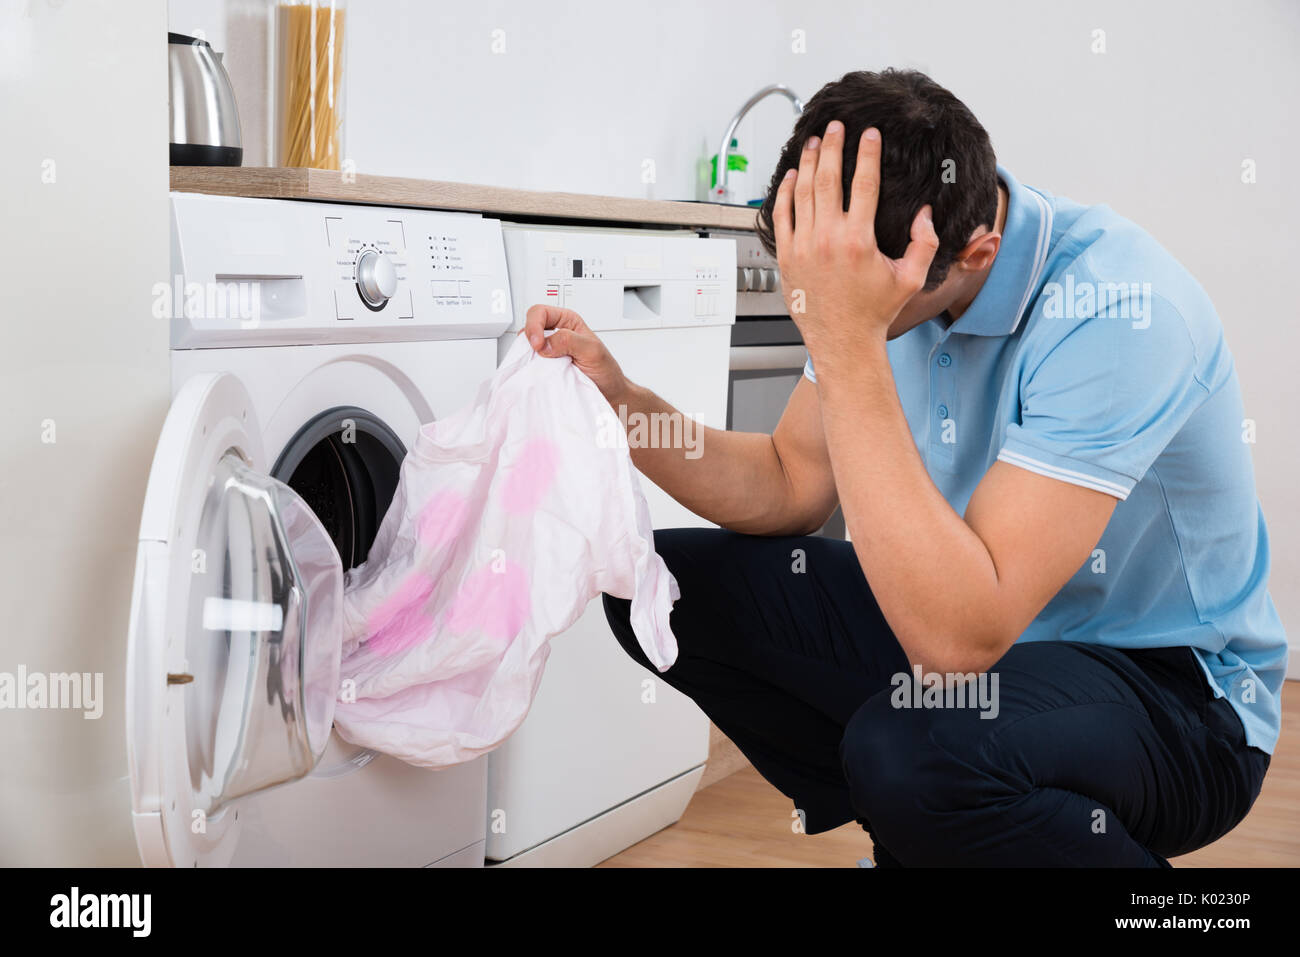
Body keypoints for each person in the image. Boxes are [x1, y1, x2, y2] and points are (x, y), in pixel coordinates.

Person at [520, 68, 1286, 867]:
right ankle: (938, 829)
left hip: (1179, 696)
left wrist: (850, 339)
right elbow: (787, 482)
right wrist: (621, 400)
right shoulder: (867, 265)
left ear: (973, 252)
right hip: (981, 628)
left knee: (913, 751)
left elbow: (960, 641)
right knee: (659, 588)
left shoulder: (1120, 309)